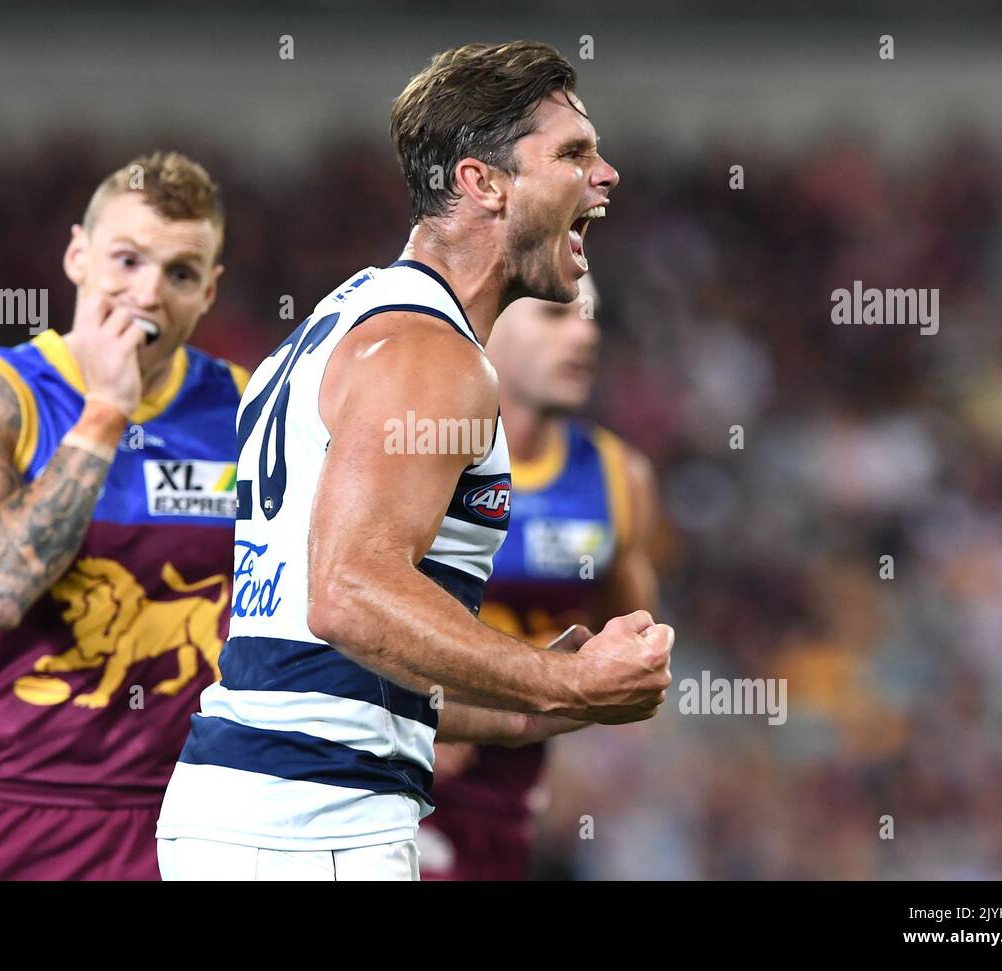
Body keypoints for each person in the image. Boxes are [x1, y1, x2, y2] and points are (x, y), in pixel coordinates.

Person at [157, 40, 673, 881]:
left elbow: (349, 667)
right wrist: (560, 680)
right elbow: (350, 594)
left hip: (260, 817)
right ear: (484, 182)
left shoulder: (345, 321)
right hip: (310, 829)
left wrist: (552, 696)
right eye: (575, 153)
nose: (606, 174)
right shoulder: (430, 355)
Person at [0, 151, 246, 879]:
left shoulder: (250, 412)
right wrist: (105, 414)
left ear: (209, 291)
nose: (148, 292)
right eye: (127, 260)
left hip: (198, 820)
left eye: (181, 274)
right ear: (77, 255)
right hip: (15, 814)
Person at [419, 274, 660, 879]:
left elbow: (638, 651)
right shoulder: (418, 454)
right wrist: (426, 710)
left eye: (591, 317)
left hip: (509, 806)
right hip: (390, 786)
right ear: (489, 325)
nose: (586, 335)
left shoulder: (616, 476)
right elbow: (339, 607)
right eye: (558, 317)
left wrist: (604, 760)